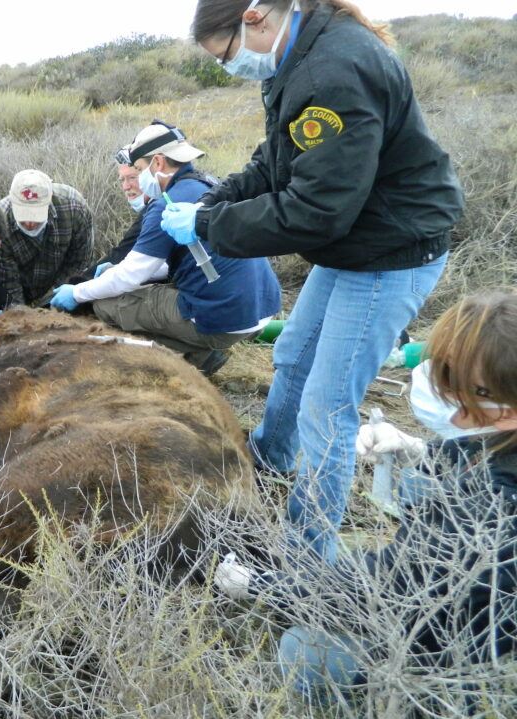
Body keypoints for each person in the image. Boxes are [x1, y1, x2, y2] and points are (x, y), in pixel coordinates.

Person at [165, 0, 465, 560]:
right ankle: (272, 457)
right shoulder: (300, 56)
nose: (231, 67)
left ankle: (308, 562)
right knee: (295, 355)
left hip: (388, 253)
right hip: (355, 244)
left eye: (226, 54)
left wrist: (208, 223)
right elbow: (276, 160)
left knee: (327, 407)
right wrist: (216, 198)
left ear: (254, 18)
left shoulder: (334, 69)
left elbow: (317, 210)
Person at [215, 290, 517, 700]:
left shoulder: (491, 507)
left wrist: (261, 584)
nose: (457, 411)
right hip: (467, 581)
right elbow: (482, 451)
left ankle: (401, 712)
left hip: (469, 648)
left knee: (305, 650)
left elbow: (377, 595)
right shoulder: (500, 441)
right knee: (417, 479)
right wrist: (416, 450)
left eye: (475, 396)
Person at [50, 121, 281, 375]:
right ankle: (200, 351)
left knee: (107, 304)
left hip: (222, 319)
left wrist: (78, 293)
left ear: (157, 163)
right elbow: (189, 258)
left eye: (138, 169)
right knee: (138, 290)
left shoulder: (166, 204)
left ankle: (186, 358)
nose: (136, 178)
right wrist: (116, 269)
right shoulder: (208, 185)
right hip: (260, 308)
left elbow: (130, 276)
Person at [0, 169, 95, 308]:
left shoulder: (74, 208)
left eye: (35, 215)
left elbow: (79, 263)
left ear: (49, 201)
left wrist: (50, 301)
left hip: (60, 286)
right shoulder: (0, 222)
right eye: (23, 216)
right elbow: (9, 283)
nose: (30, 223)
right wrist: (19, 312)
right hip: (22, 284)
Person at [72, 143, 151, 285]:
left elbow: (122, 254)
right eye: (122, 179)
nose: (126, 186)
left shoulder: (159, 207)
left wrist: (77, 287)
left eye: (133, 177)